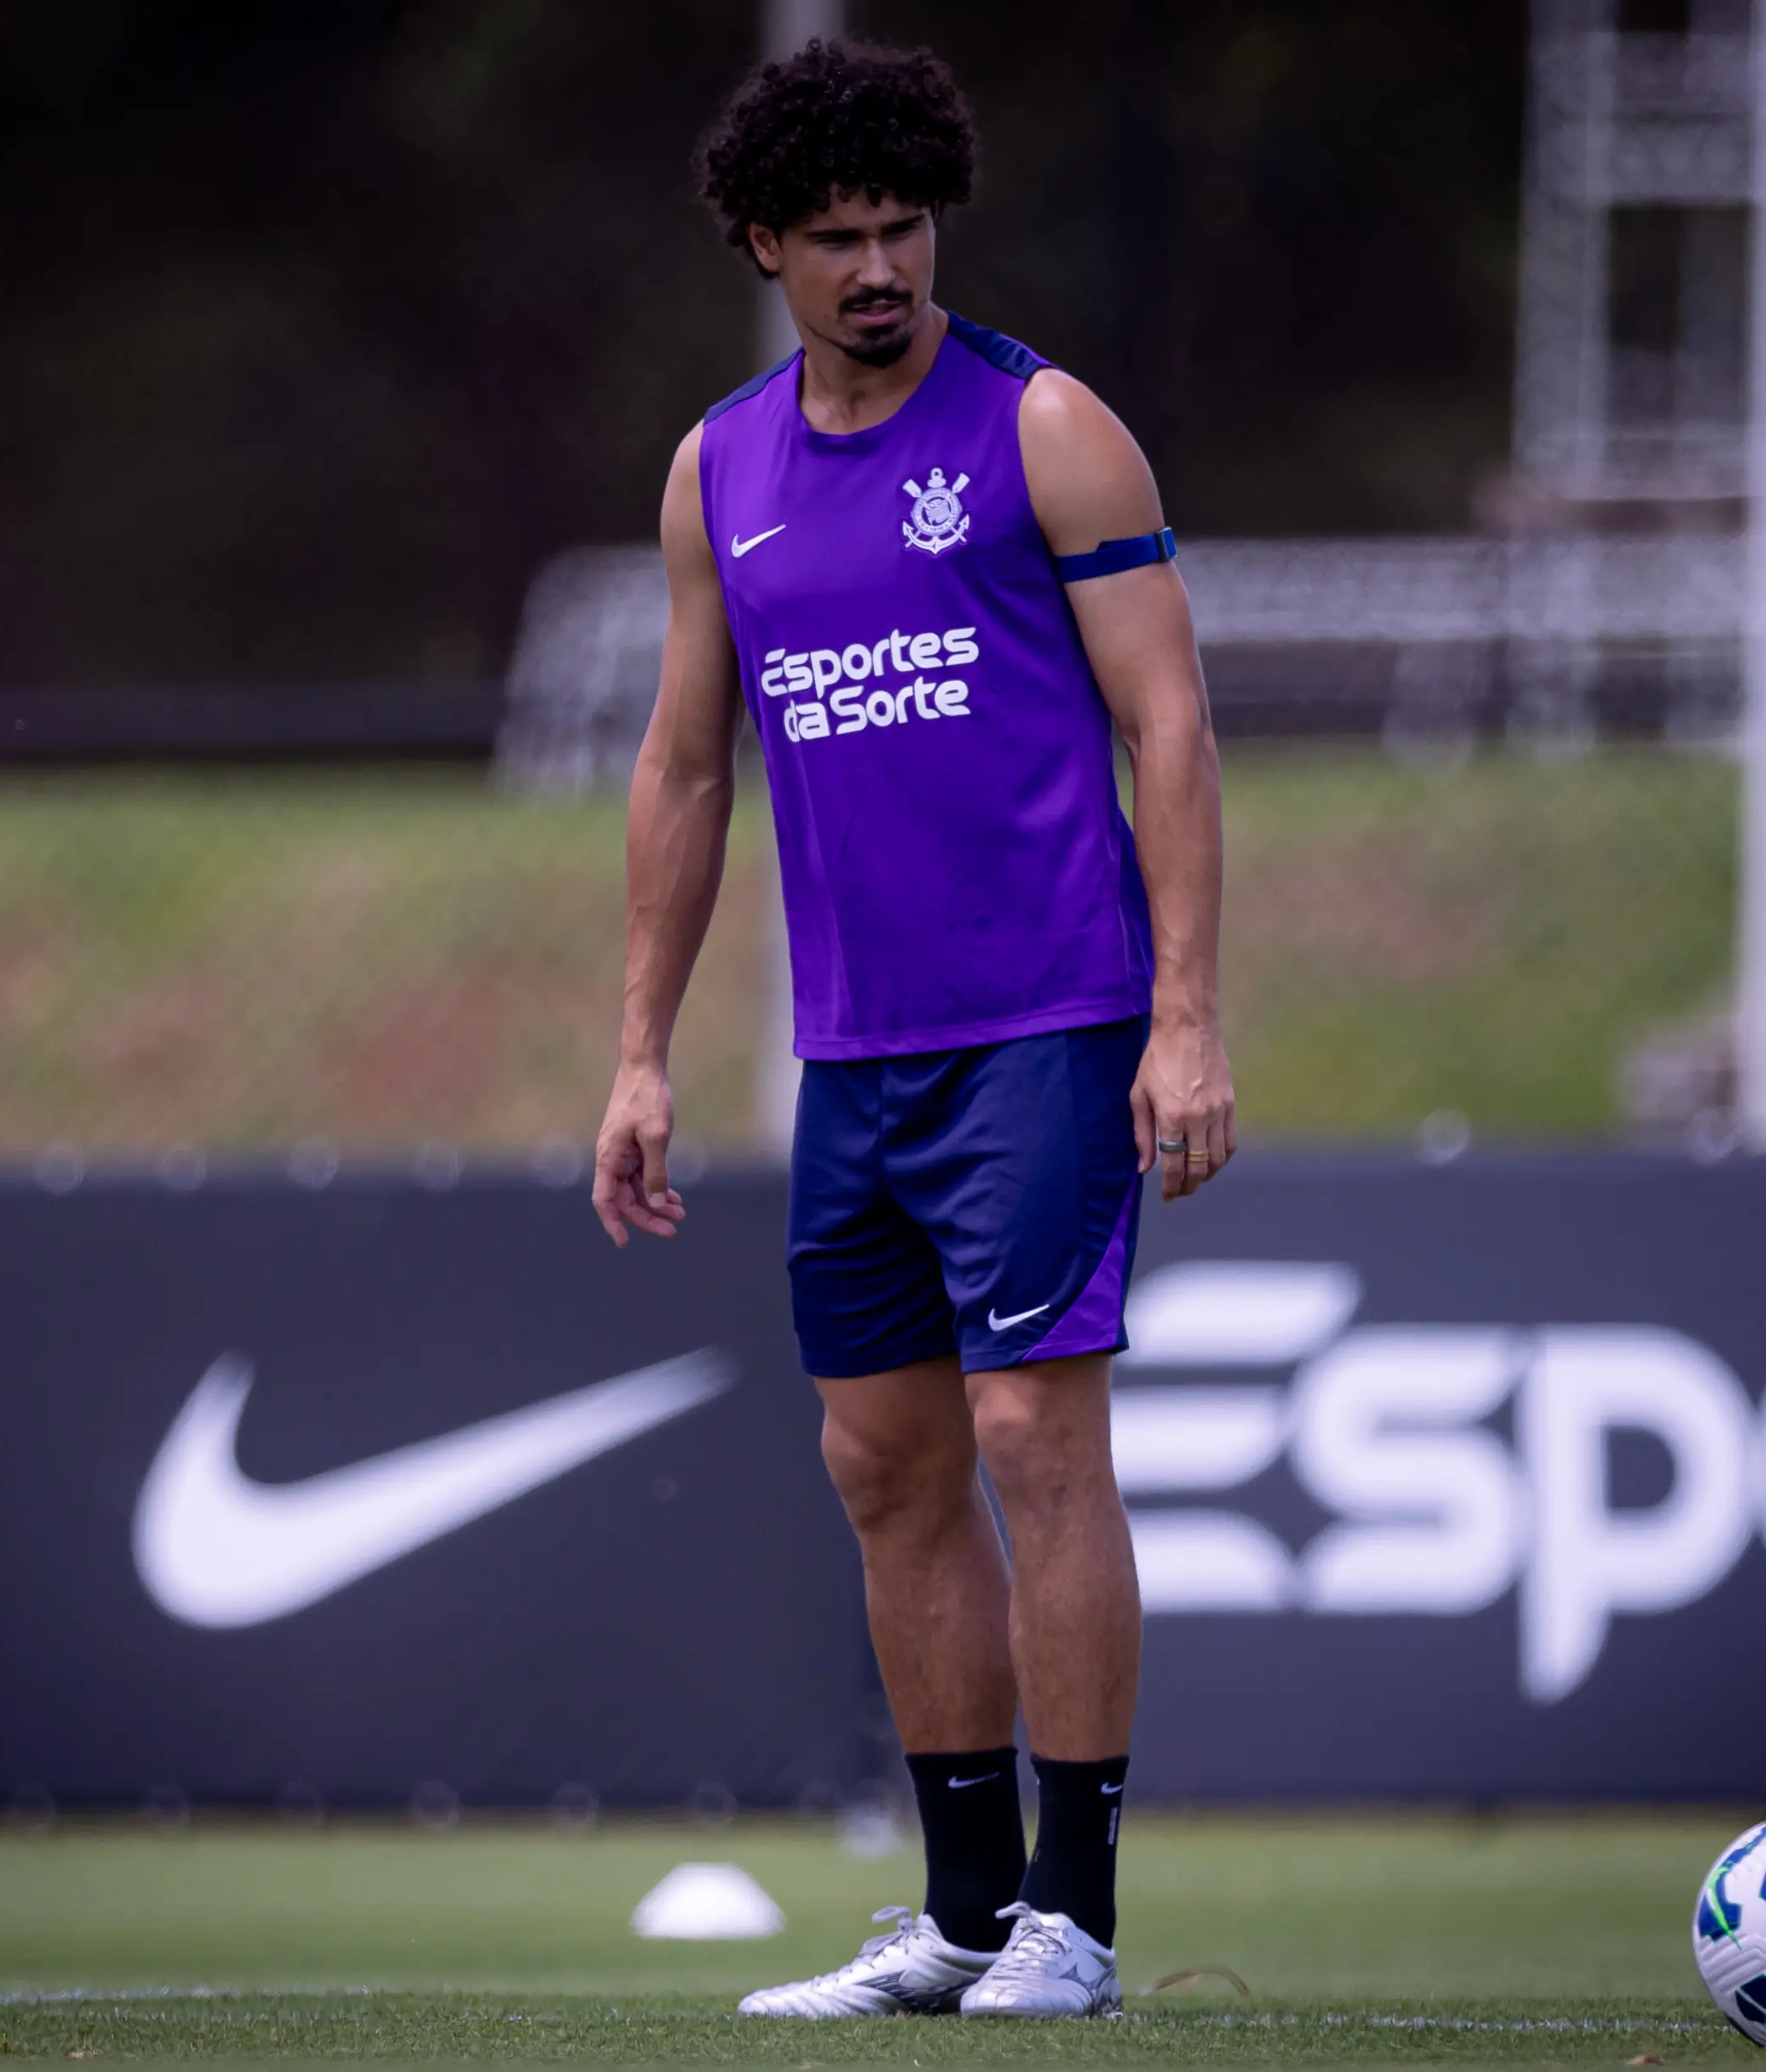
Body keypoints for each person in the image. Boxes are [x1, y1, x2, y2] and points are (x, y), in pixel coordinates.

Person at [591, 38, 1233, 2020]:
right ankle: (959, 1914)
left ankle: (1077, 1917)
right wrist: (640, 1051)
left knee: (1041, 1435)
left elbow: (1172, 725)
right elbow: (687, 770)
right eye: (841, 237)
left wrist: (1186, 1018)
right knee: (885, 1466)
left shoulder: (1048, 429)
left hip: (1047, 1024)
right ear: (767, 243)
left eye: (907, 227)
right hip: (853, 1056)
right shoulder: (721, 469)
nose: (882, 267)